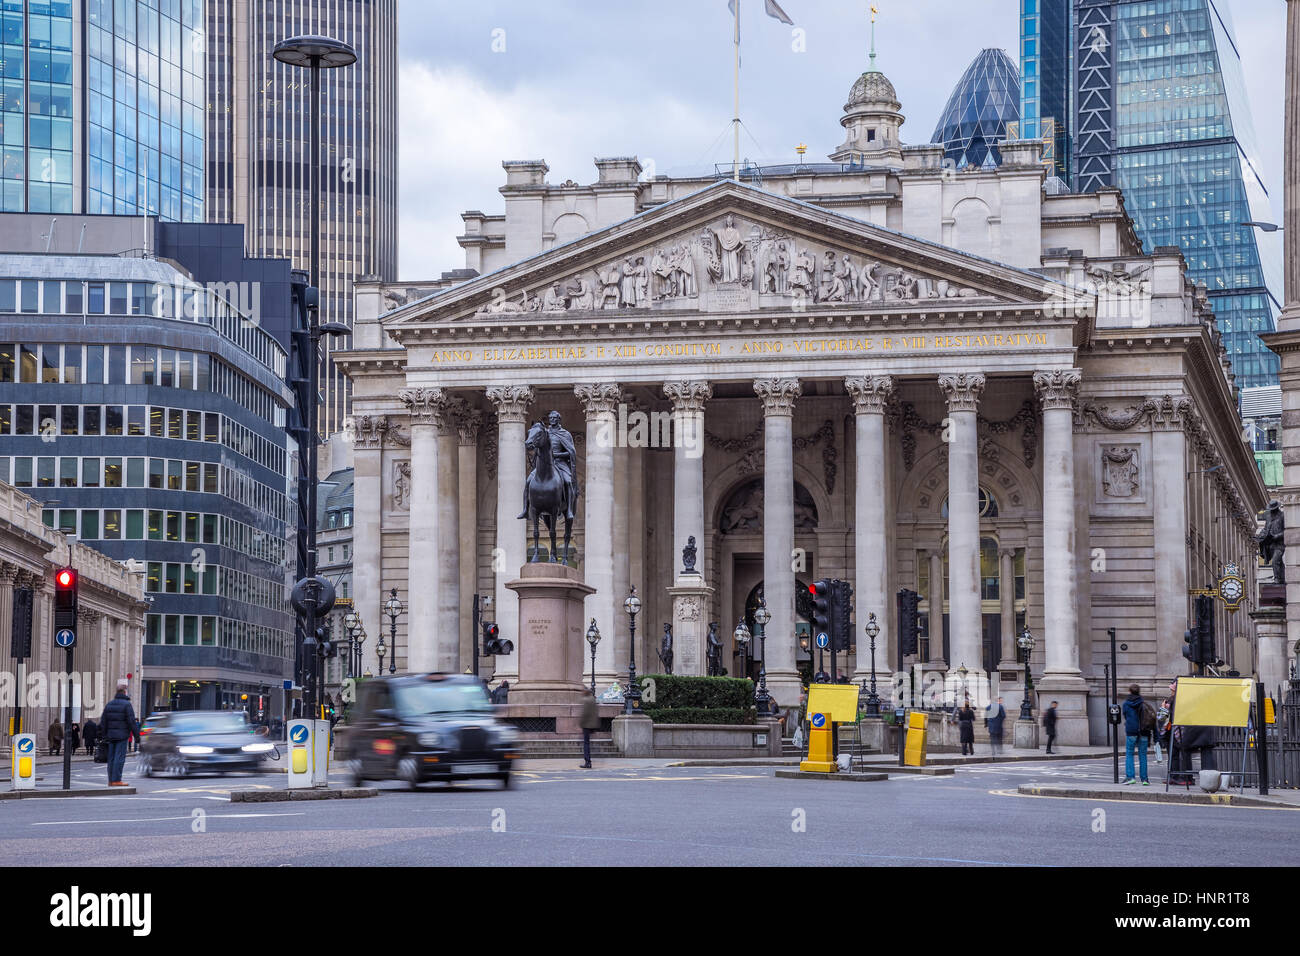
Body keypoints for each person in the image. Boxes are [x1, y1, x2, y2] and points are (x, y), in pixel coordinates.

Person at [99, 680, 141, 786]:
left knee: (111, 758)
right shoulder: (127, 705)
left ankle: (111, 780)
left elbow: (103, 722)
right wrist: (137, 737)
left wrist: (104, 736)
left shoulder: (109, 704)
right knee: (119, 758)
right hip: (122, 736)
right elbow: (131, 722)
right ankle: (117, 779)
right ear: (124, 692)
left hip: (110, 736)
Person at [1121, 683, 1150, 785]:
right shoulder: (1143, 703)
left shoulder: (1126, 704)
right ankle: (1145, 779)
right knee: (1143, 755)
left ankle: (1130, 777)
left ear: (1129, 691)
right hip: (1143, 731)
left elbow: (1125, 716)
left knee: (1129, 753)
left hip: (1131, 731)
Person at [578, 686, 600, 769]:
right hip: (592, 724)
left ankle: (588, 762)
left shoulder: (586, 700)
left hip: (587, 725)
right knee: (587, 742)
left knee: (586, 744)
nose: (582, 692)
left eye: (583, 691)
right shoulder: (593, 699)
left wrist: (581, 724)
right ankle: (588, 761)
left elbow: (585, 714)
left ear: (586, 691)